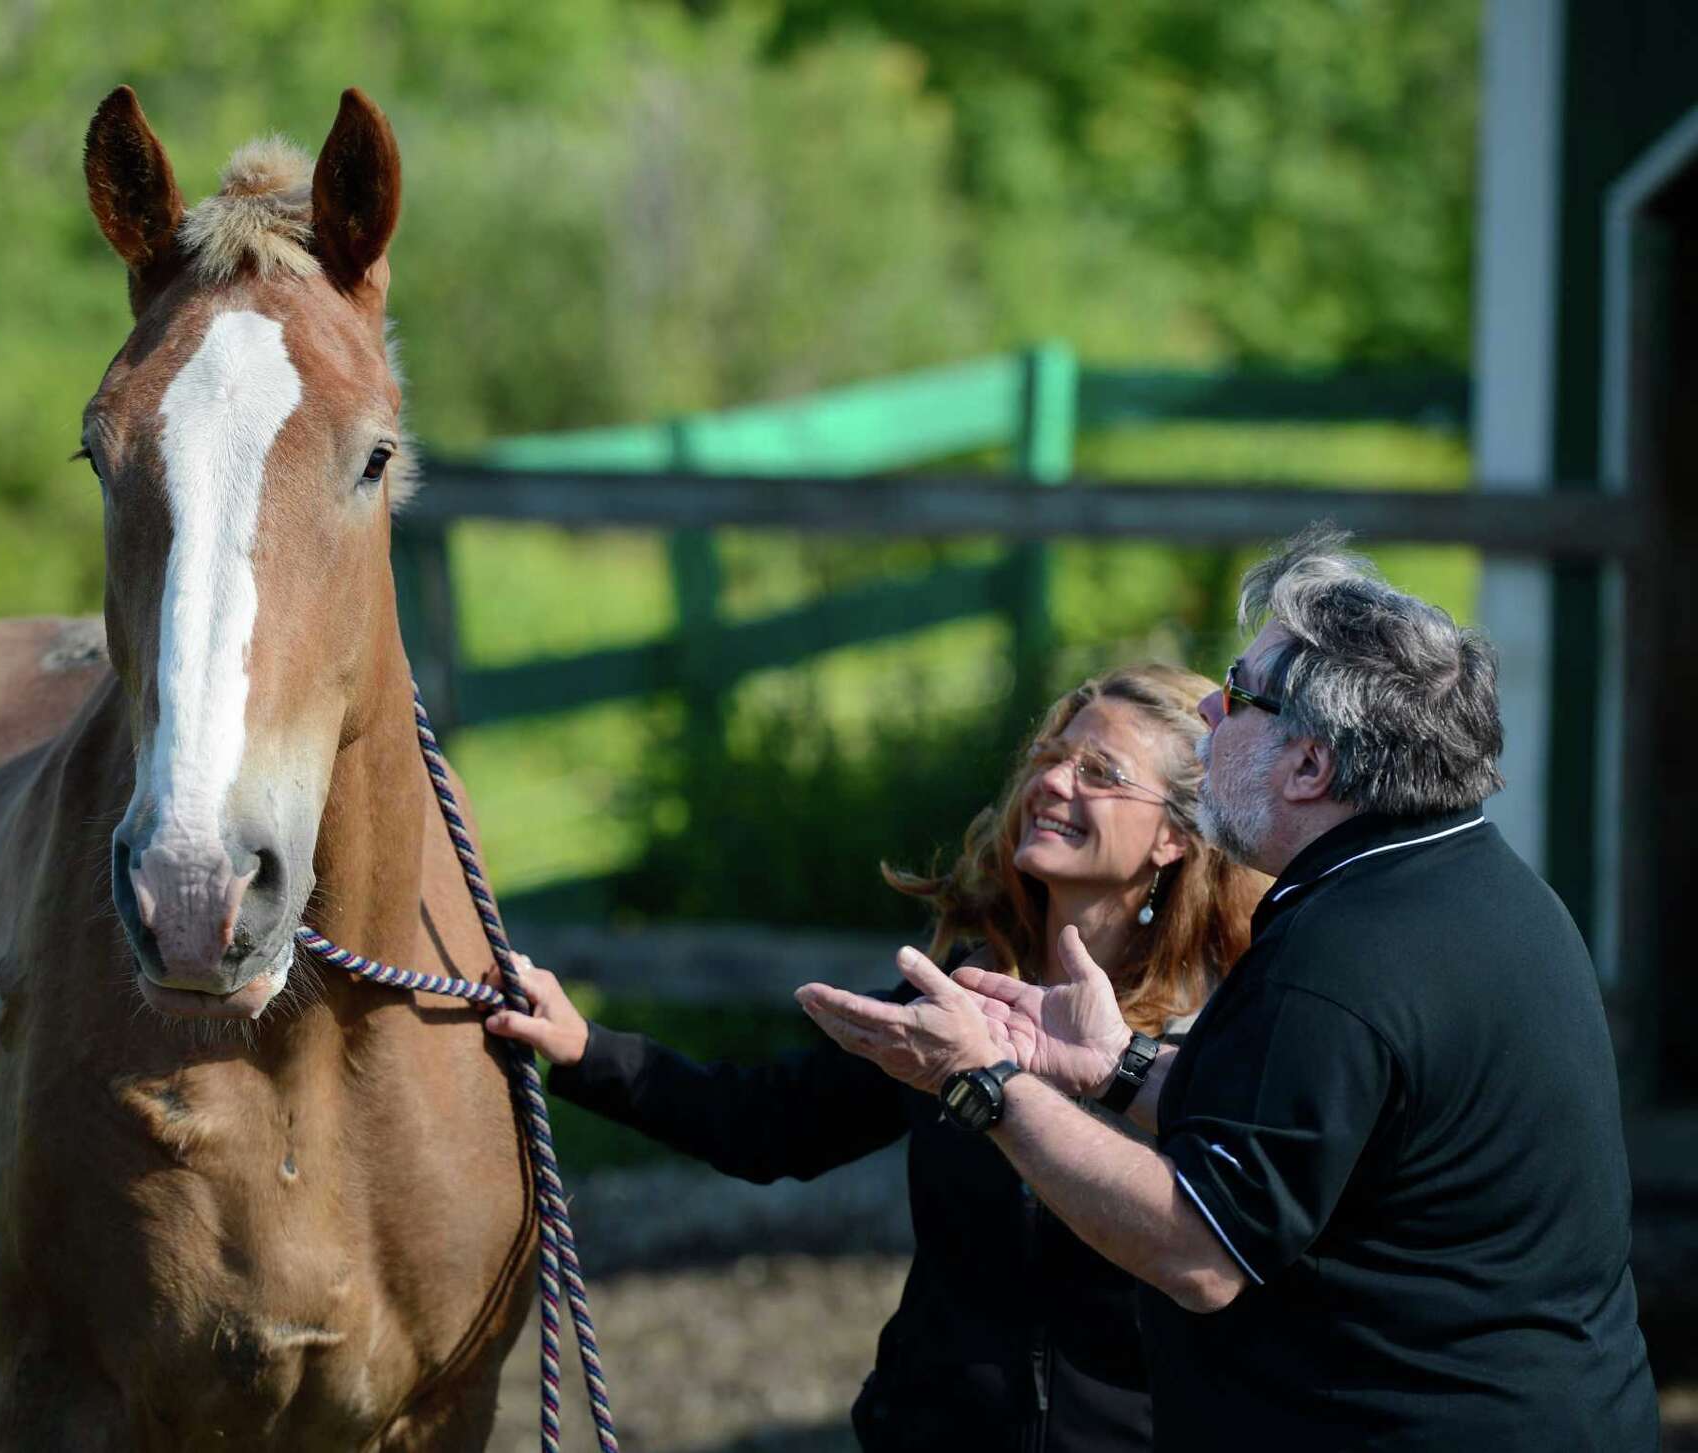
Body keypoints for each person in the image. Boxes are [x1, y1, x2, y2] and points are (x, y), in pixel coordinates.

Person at [798, 527, 1659, 1451]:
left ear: (1309, 767)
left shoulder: (1345, 955)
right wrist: (1118, 1067)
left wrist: (983, 1085)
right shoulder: (1471, 884)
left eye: (1241, 694)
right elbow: (1317, 1132)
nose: (1209, 708)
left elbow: (1201, 1252)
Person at [487, 665, 1269, 1452]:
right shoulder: (963, 994)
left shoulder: (1236, 1031)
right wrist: (586, 1047)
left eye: (1098, 771)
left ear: (1175, 832)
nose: (1052, 780)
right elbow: (766, 1122)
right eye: (1049, 756)